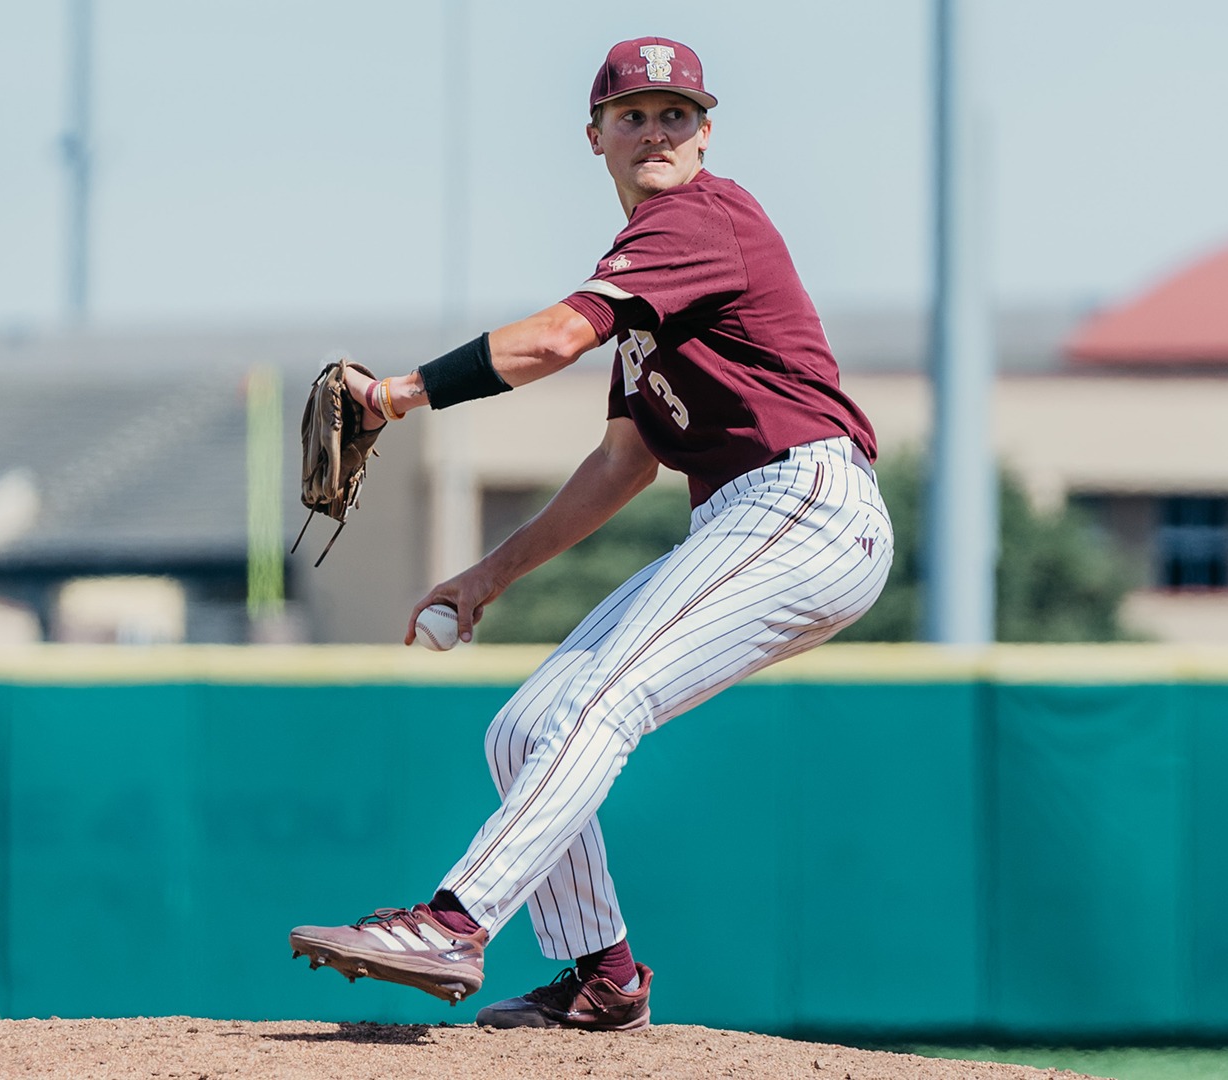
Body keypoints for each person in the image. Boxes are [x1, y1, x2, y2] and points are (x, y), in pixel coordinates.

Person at [290, 36, 893, 1031]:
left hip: (804, 502)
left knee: (597, 706)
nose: (655, 131)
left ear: (705, 136)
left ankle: (451, 923)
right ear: (596, 138)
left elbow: (553, 339)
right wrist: (489, 575)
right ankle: (602, 978)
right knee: (526, 727)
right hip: (760, 516)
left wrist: (391, 397)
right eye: (634, 116)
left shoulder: (700, 217)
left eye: (675, 114)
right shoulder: (657, 275)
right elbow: (624, 462)